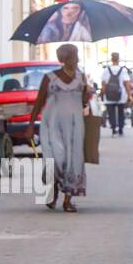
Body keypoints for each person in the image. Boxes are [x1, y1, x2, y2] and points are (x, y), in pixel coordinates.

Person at [25, 43, 90, 212]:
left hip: (75, 126)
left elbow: (84, 102)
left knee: (73, 161)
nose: (76, 59)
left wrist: (86, 93)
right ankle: (53, 187)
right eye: (73, 56)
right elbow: (39, 101)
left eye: (76, 56)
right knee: (56, 160)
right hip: (51, 125)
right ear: (63, 59)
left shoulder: (82, 78)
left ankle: (68, 200)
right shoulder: (50, 78)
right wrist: (31, 126)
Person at [100, 52, 133, 135]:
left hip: (109, 95)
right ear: (118, 60)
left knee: (111, 112)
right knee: (121, 111)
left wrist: (102, 94)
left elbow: (103, 84)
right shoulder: (123, 70)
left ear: (111, 59)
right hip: (121, 95)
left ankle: (113, 128)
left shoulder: (106, 70)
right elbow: (127, 83)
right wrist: (129, 95)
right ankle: (120, 128)